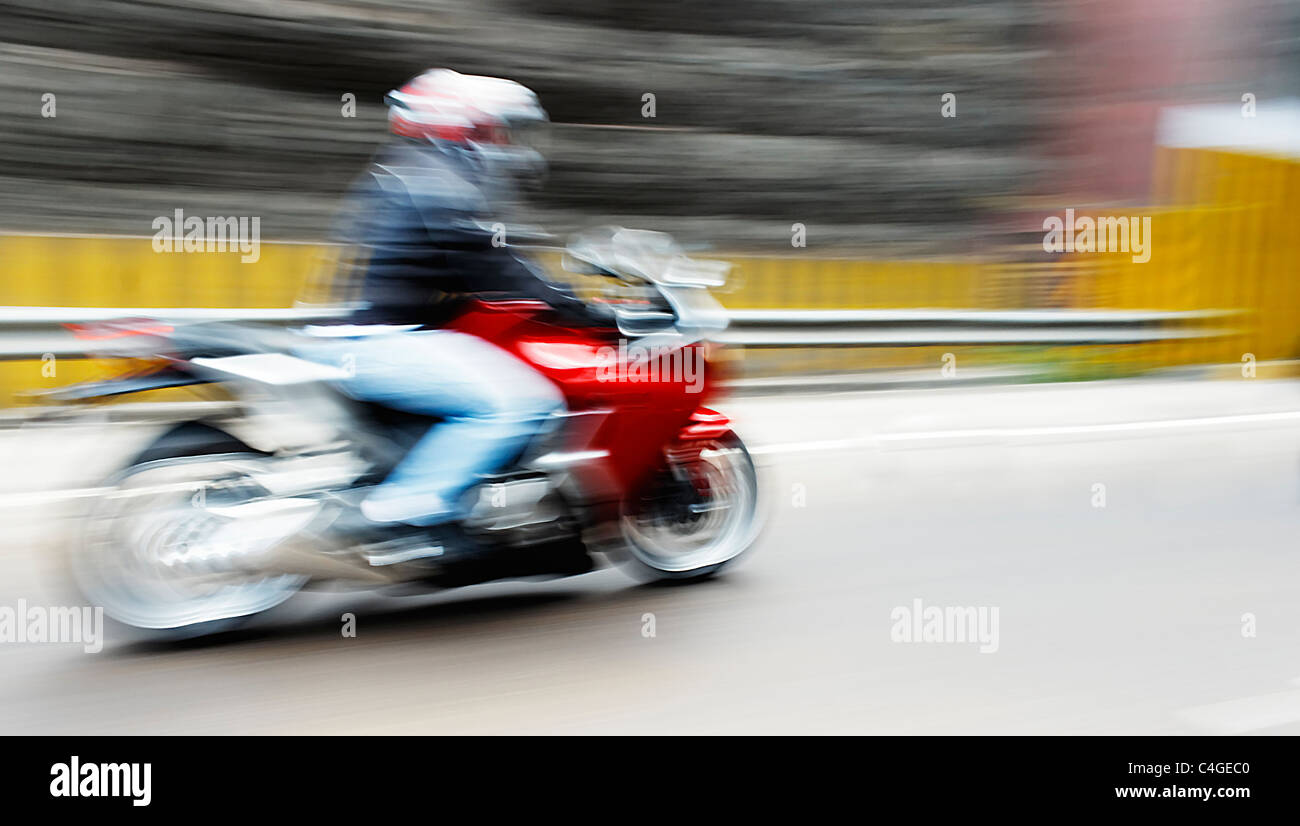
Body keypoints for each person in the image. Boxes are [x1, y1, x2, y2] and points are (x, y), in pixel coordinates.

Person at [302, 69, 610, 532]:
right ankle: (401, 515)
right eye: (498, 131)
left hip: (369, 336)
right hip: (376, 342)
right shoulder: (441, 186)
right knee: (521, 402)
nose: (507, 145)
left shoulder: (413, 174)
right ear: (463, 129)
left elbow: (474, 264)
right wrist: (584, 311)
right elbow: (499, 266)